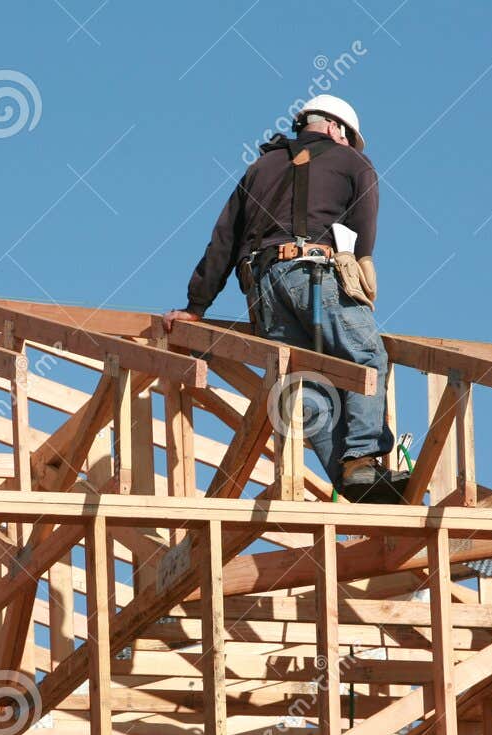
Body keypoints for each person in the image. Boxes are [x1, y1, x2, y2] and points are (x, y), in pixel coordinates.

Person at [162, 95, 405, 501]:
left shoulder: (258, 168)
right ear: (335, 129)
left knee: (306, 389)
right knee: (367, 356)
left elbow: (222, 242)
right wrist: (360, 265)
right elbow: (363, 236)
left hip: (261, 290)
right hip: (313, 274)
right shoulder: (353, 163)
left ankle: (352, 483)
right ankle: (361, 460)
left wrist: (194, 308)